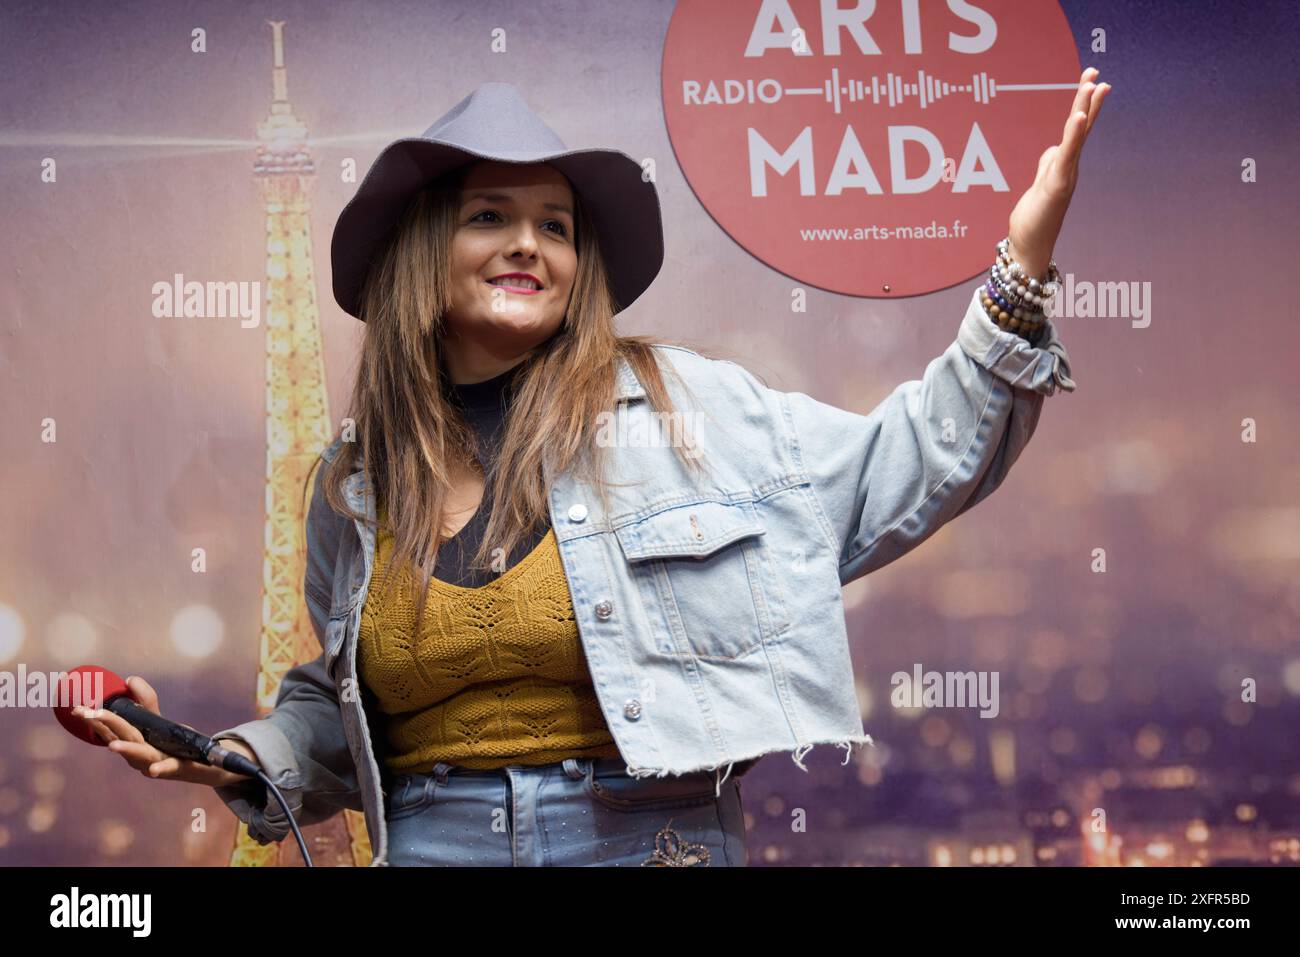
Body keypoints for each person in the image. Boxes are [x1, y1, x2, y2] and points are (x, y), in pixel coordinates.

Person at [75, 74, 1110, 866]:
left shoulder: (687, 410)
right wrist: (240, 754)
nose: (530, 244)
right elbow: (346, 702)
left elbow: (911, 460)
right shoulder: (352, 484)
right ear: (423, 252)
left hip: (646, 844)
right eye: (490, 215)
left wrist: (1017, 274)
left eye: (556, 227)